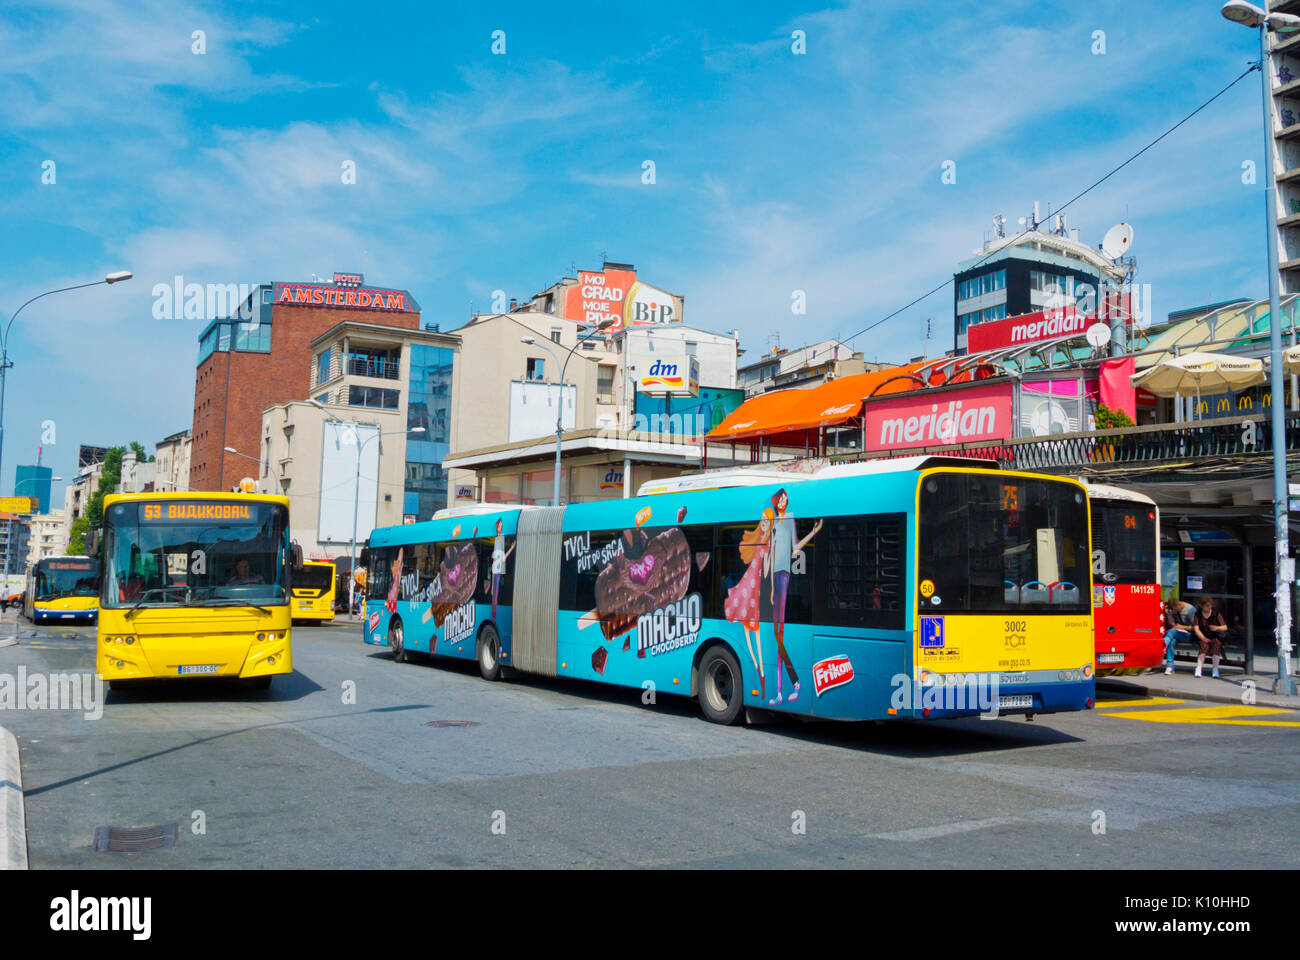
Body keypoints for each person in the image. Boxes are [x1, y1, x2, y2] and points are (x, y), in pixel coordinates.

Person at [767, 489, 823, 706]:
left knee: (779, 633)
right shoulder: (774, 523)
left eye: (785, 497)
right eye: (781, 497)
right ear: (776, 501)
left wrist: (814, 532)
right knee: (776, 634)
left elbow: (795, 548)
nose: (784, 499)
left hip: (784, 576)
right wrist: (770, 589)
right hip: (775, 578)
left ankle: (794, 683)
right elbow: (771, 556)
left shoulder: (789, 519)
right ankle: (782, 690)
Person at [725, 508, 775, 699]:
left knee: (756, 630)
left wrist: (770, 592)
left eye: (766, 520)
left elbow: (768, 568)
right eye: (762, 519)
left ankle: (761, 671)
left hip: (758, 585)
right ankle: (757, 668)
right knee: (748, 628)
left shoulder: (770, 541)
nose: (763, 522)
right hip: (749, 582)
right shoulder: (759, 537)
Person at [1192, 596, 1228, 679]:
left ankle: (1215, 669)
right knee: (1204, 646)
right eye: (1207, 606)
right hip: (1203, 635)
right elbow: (1196, 628)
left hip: (1214, 635)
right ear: (1201, 606)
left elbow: (1225, 627)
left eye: (1210, 605)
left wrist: (1217, 628)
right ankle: (1198, 668)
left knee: (1216, 645)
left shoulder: (1216, 613)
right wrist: (1203, 638)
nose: (1209, 607)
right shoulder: (1197, 614)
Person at [1162, 597, 1195, 675]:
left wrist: (1182, 627)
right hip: (1177, 633)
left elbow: (1195, 627)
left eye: (1176, 610)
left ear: (1179, 604)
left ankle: (1163, 644)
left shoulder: (1191, 610)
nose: (1175, 611)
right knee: (1172, 641)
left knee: (1171, 633)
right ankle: (1170, 666)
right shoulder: (1173, 610)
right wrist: (1168, 613)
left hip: (1189, 635)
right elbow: (1172, 624)